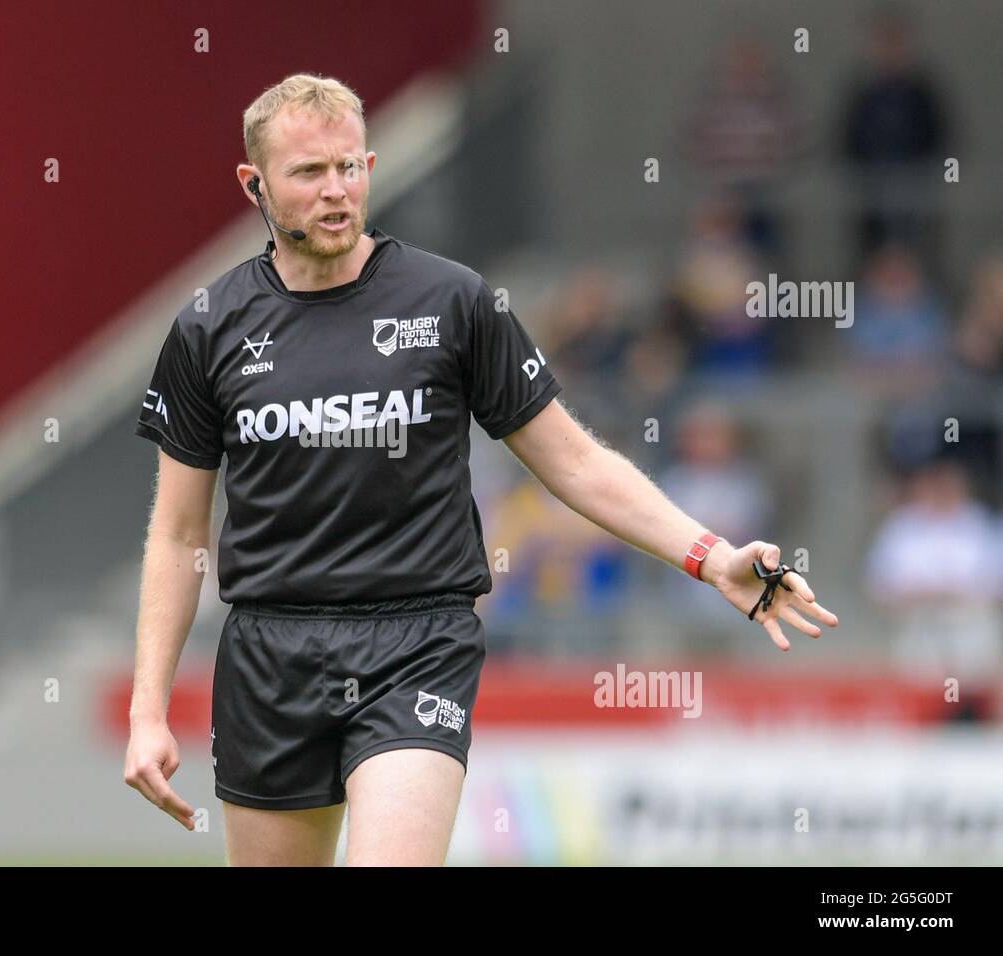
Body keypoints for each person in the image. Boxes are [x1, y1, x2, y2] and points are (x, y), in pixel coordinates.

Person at [123, 73, 838, 866]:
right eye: (308, 174)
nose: (337, 191)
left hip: (416, 641)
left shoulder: (453, 302)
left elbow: (574, 463)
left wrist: (709, 556)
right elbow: (179, 531)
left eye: (349, 167)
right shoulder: (207, 327)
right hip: (268, 653)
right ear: (254, 185)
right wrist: (147, 711)